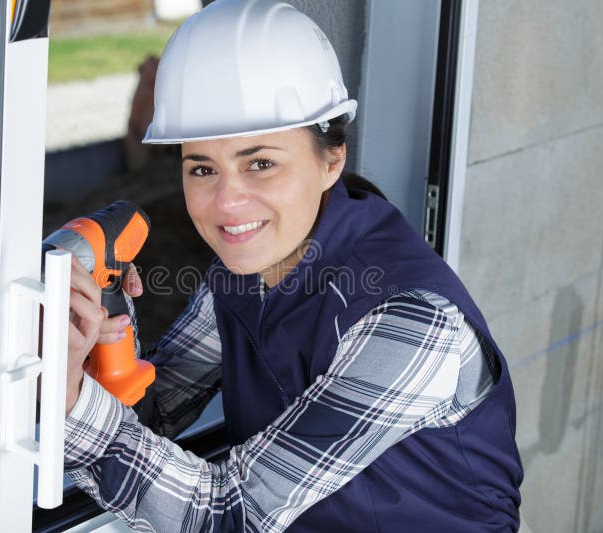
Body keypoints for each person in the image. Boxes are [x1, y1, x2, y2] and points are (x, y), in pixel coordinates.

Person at [63, 1, 523, 531]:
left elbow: (232, 515)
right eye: (202, 168)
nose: (226, 202)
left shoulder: (413, 324)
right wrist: (98, 336)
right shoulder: (239, 278)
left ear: (331, 160)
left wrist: (72, 402)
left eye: (261, 163)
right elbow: (154, 416)